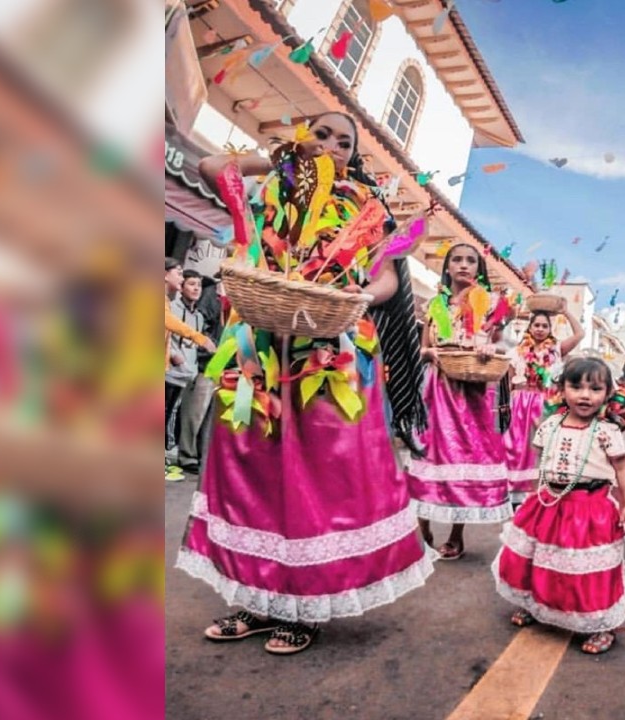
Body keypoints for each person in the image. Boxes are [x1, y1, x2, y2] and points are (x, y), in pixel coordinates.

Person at [176, 112, 434, 654]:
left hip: (332, 352)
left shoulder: (364, 204)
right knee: (252, 468)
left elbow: (387, 272)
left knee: (319, 476)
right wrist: (271, 157)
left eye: (345, 142)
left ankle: (308, 601)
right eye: (321, 134)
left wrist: (361, 293)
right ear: (300, 138)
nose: (332, 146)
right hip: (256, 351)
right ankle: (255, 599)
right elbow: (209, 164)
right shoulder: (272, 187)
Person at [493, 357, 625, 655]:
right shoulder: (549, 425)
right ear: (561, 389)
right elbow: (540, 464)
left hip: (590, 509)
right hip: (548, 503)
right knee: (539, 559)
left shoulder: (606, 431)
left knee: (588, 569)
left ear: (608, 393)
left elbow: (622, 469)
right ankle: (537, 606)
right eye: (576, 387)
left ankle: (601, 624)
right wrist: (534, 497)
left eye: (595, 388)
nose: (585, 396)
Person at [405, 243, 516, 559]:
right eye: (457, 260)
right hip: (437, 390)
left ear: (479, 269)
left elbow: (503, 344)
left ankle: (456, 533)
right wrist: (428, 353)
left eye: (471, 260)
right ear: (447, 267)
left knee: (468, 459)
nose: (464, 265)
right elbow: (424, 349)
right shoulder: (434, 305)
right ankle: (423, 526)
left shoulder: (490, 303)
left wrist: (490, 349)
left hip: (474, 393)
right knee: (429, 455)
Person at [504, 304, 585, 504]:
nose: (540, 329)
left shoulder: (557, 350)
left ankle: (537, 490)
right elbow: (508, 382)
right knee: (516, 447)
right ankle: (514, 492)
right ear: (530, 328)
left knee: (540, 448)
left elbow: (580, 333)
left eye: (544, 326)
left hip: (545, 404)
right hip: (520, 403)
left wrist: (565, 312)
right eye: (536, 325)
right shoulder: (516, 351)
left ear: (550, 330)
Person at [176, 275, 224, 473]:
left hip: (224, 364)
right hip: (207, 363)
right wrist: (210, 349)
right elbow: (202, 326)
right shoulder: (212, 294)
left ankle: (200, 455)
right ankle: (186, 455)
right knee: (194, 412)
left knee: (209, 414)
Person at [165, 269, 206, 480]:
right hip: (170, 371)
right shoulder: (171, 307)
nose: (196, 288)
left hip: (187, 374)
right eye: (191, 284)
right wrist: (173, 354)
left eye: (198, 285)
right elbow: (167, 332)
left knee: (172, 412)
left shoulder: (199, 316)